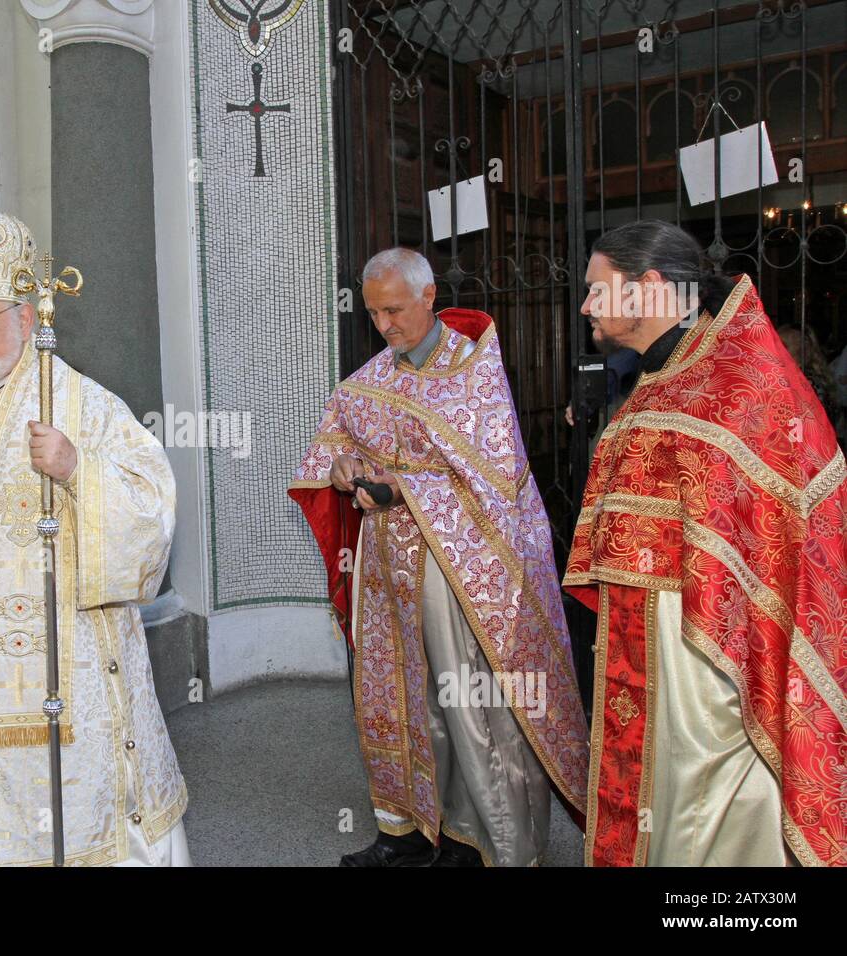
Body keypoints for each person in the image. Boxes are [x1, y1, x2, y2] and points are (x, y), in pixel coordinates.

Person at [0, 198, 189, 866]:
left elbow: (154, 510)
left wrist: (79, 468)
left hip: (64, 693)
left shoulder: (84, 406)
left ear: (25, 316)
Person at [289, 248, 589, 866]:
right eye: (373, 313)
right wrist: (344, 469)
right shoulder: (371, 379)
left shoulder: (473, 371)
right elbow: (336, 446)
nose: (385, 325)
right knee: (395, 695)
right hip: (385, 563)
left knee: (466, 699)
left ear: (428, 297)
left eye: (394, 310)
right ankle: (404, 828)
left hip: (457, 565)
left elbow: (494, 475)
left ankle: (484, 839)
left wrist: (403, 487)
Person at [565, 219, 847, 866]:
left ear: (648, 289)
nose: (585, 305)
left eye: (597, 289)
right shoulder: (662, 372)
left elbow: (777, 530)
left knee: (703, 809)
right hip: (645, 646)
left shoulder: (742, 379)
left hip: (712, 657)